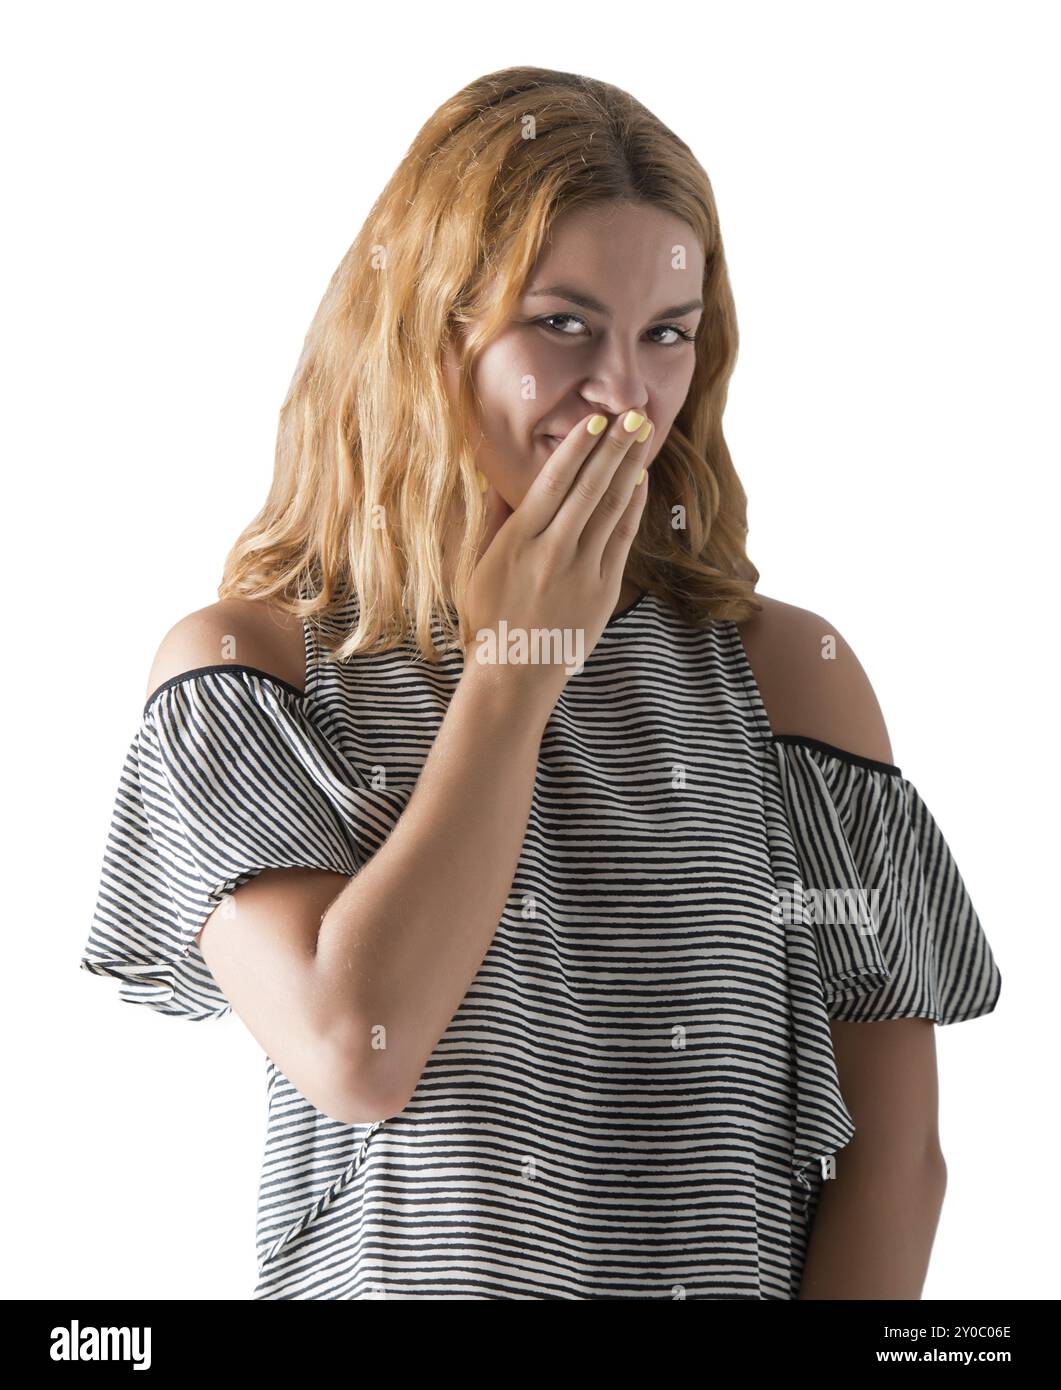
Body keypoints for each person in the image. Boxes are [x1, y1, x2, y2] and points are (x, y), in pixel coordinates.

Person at [80, 65, 1002, 1301]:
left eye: (663, 334)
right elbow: (357, 1049)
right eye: (561, 324)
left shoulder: (788, 679)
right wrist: (516, 670)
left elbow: (894, 1167)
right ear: (423, 327)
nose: (623, 397)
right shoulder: (250, 674)